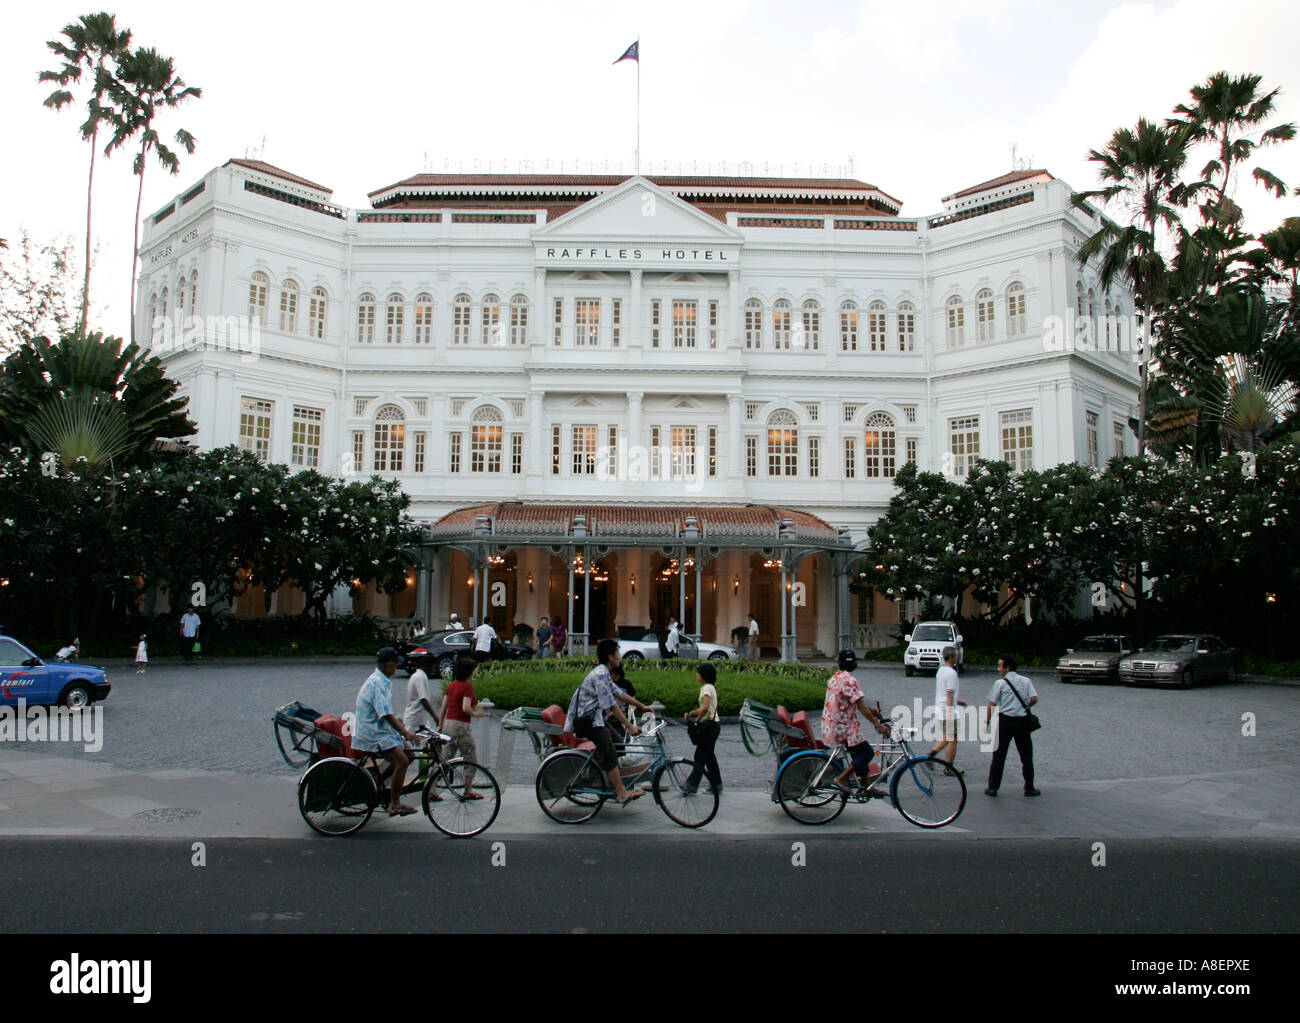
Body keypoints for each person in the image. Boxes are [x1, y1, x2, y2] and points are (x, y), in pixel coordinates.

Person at [563, 638, 643, 805]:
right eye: (617, 653)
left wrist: (643, 706)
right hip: (588, 721)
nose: (619, 656)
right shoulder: (600, 675)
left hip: (596, 718)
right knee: (610, 752)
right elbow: (612, 705)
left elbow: (620, 694)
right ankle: (621, 792)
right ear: (611, 657)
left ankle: (603, 779)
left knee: (618, 744)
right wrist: (629, 726)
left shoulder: (604, 673)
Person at [353, 647, 421, 816]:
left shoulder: (382, 680)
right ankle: (395, 803)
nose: (396, 668)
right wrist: (405, 732)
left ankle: (377, 783)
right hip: (373, 733)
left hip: (381, 730)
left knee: (410, 755)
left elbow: (386, 713)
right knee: (402, 761)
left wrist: (401, 725)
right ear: (388, 665)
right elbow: (385, 714)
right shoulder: (376, 683)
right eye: (394, 665)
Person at [821, 649, 891, 791]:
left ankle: (866, 785)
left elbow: (852, 702)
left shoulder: (836, 677)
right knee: (867, 752)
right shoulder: (849, 680)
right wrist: (878, 725)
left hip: (832, 724)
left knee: (860, 752)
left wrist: (873, 713)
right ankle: (841, 778)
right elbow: (861, 707)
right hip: (843, 728)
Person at [985, 656, 1041, 797]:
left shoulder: (1000, 683)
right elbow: (1034, 699)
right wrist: (1025, 706)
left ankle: (993, 788)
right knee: (1026, 755)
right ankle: (1029, 787)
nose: (998, 669)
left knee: (998, 756)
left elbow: (992, 704)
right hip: (1022, 722)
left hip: (1005, 722)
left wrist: (987, 721)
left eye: (1000, 666)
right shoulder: (1026, 681)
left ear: (1007, 668)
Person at [438, 656, 486, 799]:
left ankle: (431, 788)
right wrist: (477, 714)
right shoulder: (467, 687)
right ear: (468, 672)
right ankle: (468, 789)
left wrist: (440, 724)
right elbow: (466, 708)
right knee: (470, 756)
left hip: (448, 723)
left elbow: (443, 707)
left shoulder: (451, 686)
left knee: (445, 758)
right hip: (461, 725)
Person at [682, 662, 724, 795]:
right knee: (709, 756)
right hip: (714, 725)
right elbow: (705, 707)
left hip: (708, 727)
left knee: (700, 756)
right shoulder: (710, 687)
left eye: (698, 673)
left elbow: (705, 708)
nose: (696, 675)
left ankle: (692, 785)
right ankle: (716, 784)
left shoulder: (706, 688)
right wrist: (691, 714)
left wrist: (696, 720)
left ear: (703, 676)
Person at [929, 646, 966, 769]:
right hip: (947, 711)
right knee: (953, 739)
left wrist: (958, 702)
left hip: (940, 709)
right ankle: (949, 767)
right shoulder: (951, 673)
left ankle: (931, 755)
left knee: (949, 736)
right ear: (951, 657)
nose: (957, 657)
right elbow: (949, 695)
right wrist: (950, 715)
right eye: (956, 655)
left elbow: (944, 692)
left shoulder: (941, 671)